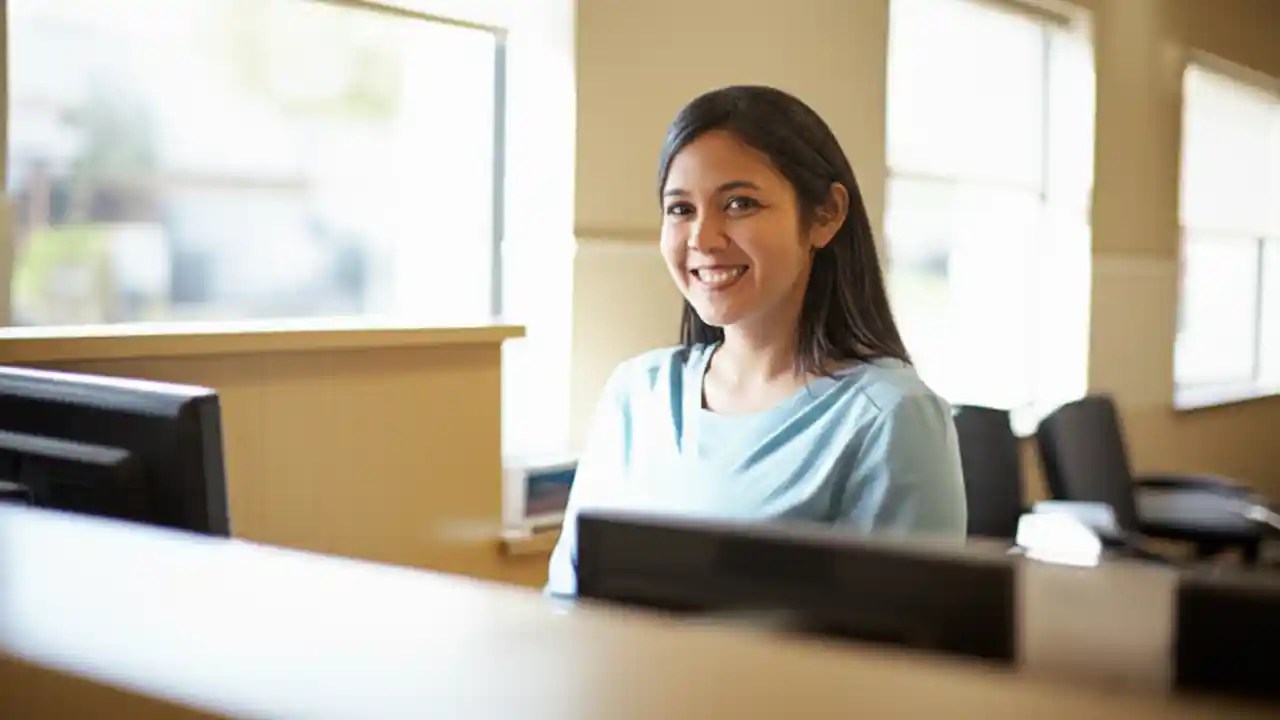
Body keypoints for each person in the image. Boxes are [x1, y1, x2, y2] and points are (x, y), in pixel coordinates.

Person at [546, 85, 965, 597]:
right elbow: (566, 600)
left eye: (740, 204)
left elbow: (903, 656)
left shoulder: (889, 418)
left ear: (826, 215)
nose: (703, 238)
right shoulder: (635, 393)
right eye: (680, 209)